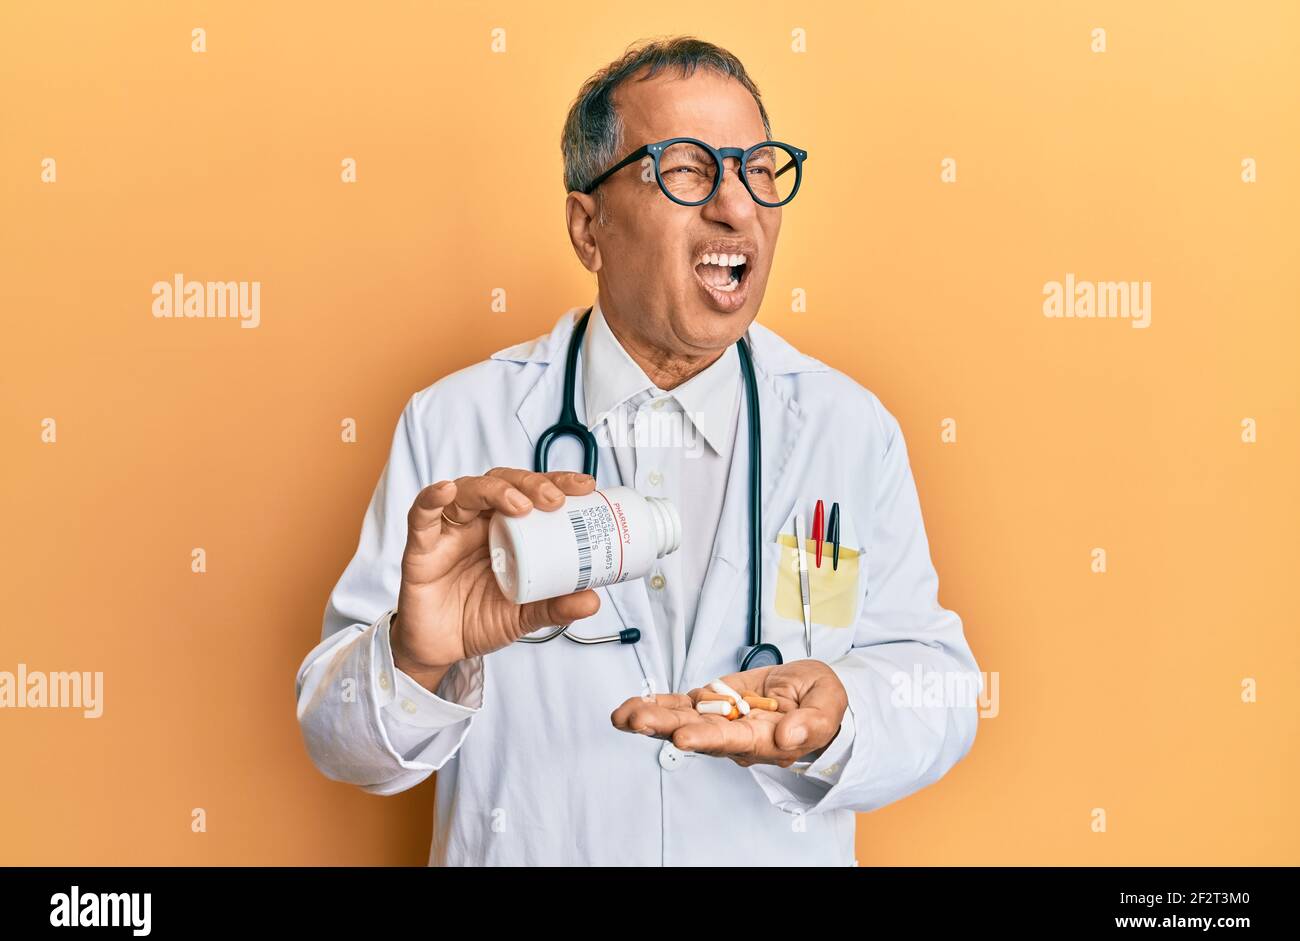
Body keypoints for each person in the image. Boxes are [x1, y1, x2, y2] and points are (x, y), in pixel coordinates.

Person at [295, 36, 980, 866]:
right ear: (590, 226)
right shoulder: (455, 423)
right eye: (688, 169)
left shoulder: (847, 425)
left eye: (759, 168)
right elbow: (342, 747)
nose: (738, 208)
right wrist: (413, 658)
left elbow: (937, 685)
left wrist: (844, 712)